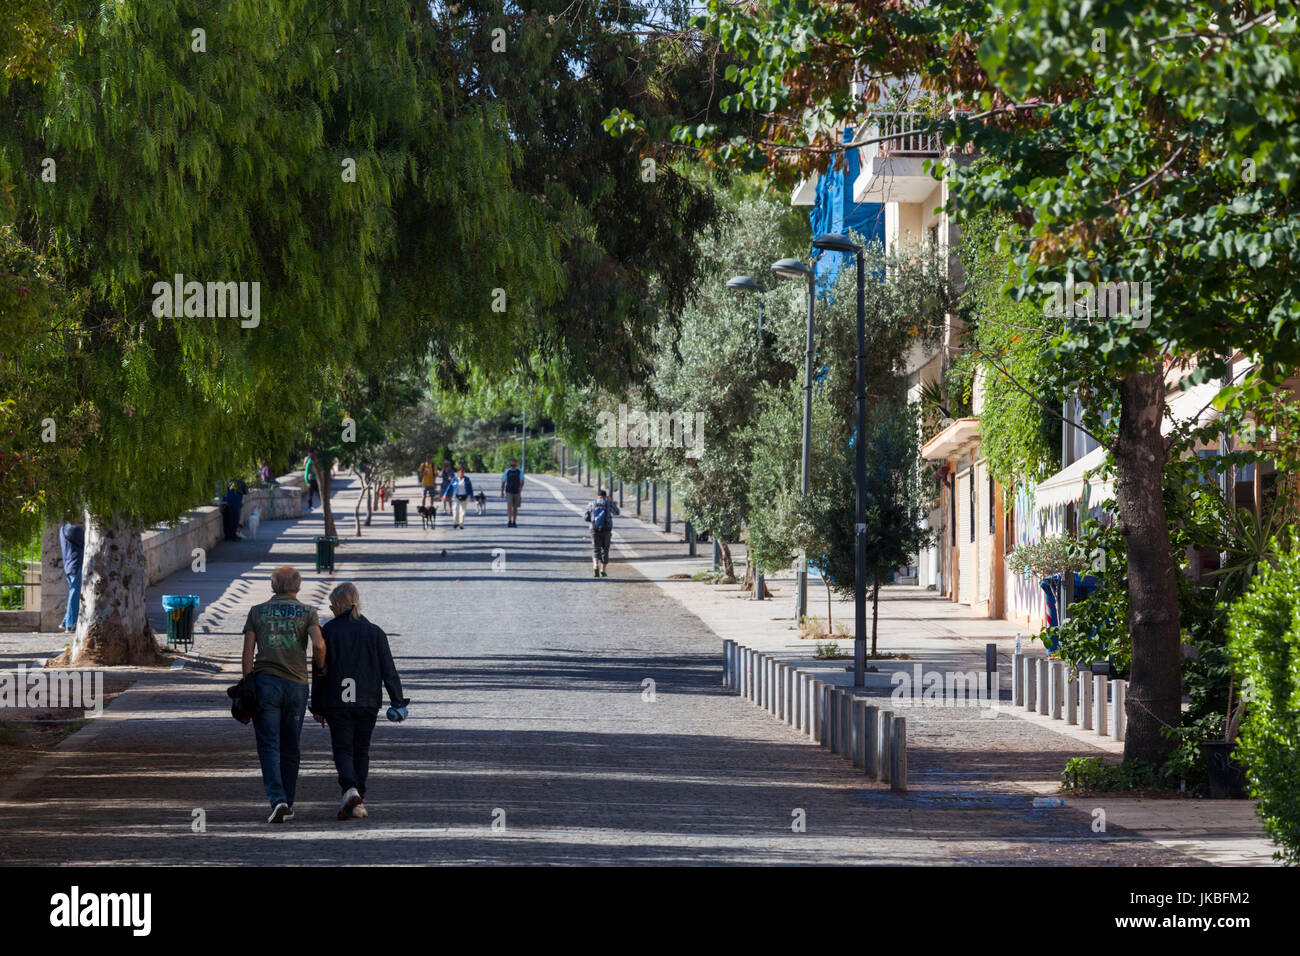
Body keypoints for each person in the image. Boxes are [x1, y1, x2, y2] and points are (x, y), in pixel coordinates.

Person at [311, 582, 408, 821]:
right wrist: (398, 701)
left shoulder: (329, 632)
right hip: (367, 701)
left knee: (343, 748)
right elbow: (389, 670)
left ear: (339, 604)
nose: (331, 610)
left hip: (338, 701)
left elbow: (319, 671)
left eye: (332, 605)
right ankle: (358, 798)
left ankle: (350, 789)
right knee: (361, 749)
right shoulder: (375, 632)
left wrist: (317, 705)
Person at [241, 566, 326, 823]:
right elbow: (319, 644)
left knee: (269, 745)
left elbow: (247, 653)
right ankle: (288, 801)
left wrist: (248, 683)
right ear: (298, 587)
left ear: (273, 586)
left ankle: (277, 800)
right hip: (297, 686)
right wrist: (319, 668)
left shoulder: (257, 612)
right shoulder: (308, 612)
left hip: (266, 685)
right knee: (291, 747)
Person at [584, 488, 620, 577]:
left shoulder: (591, 503)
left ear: (597, 496)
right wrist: (611, 501)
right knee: (605, 550)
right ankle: (602, 571)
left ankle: (595, 566)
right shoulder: (608, 503)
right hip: (606, 530)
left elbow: (586, 518)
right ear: (605, 496)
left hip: (594, 529)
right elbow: (617, 512)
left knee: (596, 549)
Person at [59, 520, 85, 633]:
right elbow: (86, 541)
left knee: (73, 592)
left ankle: (66, 622)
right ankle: (70, 623)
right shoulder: (75, 530)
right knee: (75, 593)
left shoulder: (63, 529)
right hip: (76, 563)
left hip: (68, 565)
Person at [500, 458, 525, 527]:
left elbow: (522, 480)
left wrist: (520, 488)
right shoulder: (507, 471)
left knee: (515, 507)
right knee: (509, 506)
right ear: (510, 464)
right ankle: (509, 520)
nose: (513, 465)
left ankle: (514, 521)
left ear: (516, 464)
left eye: (514, 464)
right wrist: (502, 492)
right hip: (509, 491)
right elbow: (503, 481)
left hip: (517, 491)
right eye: (512, 464)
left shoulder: (519, 471)